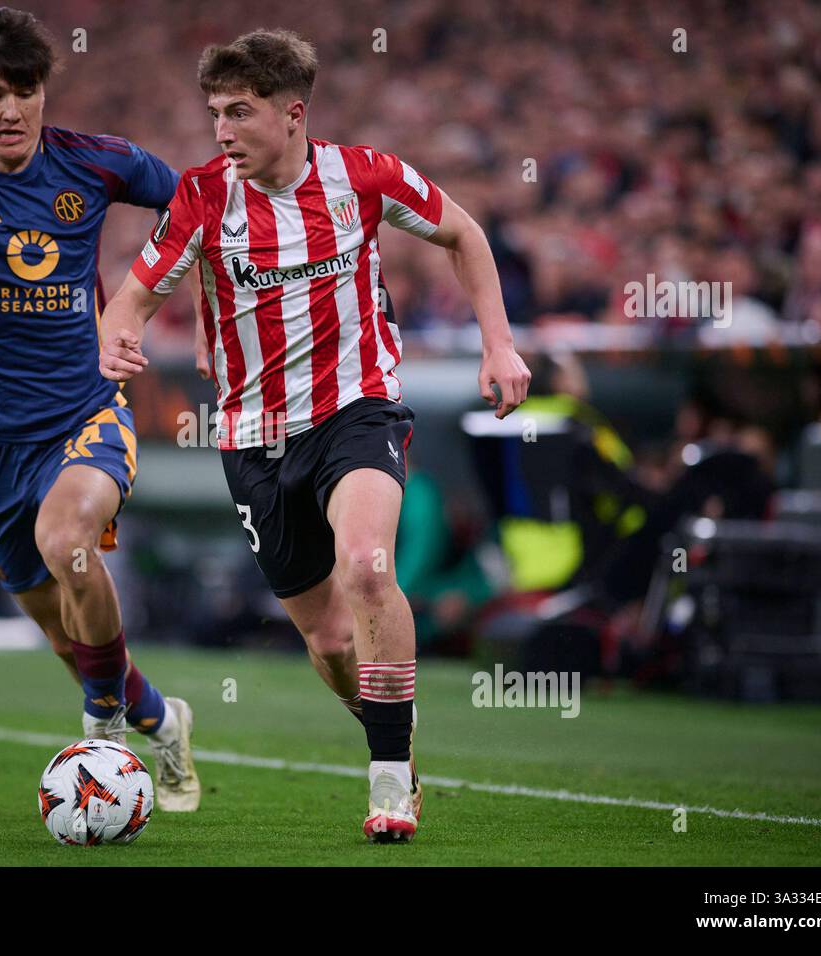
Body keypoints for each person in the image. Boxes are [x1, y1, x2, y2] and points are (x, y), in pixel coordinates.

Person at [97, 29, 530, 841]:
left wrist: (499, 343)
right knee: (331, 641)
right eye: (215, 113)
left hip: (357, 408)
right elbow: (131, 299)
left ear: (293, 113)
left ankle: (391, 783)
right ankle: (390, 734)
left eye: (240, 112)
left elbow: (464, 234)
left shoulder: (363, 177)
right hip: (253, 436)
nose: (222, 130)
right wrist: (117, 336)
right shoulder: (199, 198)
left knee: (369, 566)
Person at [0, 8, 199, 810]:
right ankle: (160, 718)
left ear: (46, 95)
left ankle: (105, 736)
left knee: (69, 542)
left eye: (26, 91)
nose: (12, 109)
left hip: (83, 415)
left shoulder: (94, 162)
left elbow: (192, 201)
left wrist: (133, 306)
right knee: (66, 634)